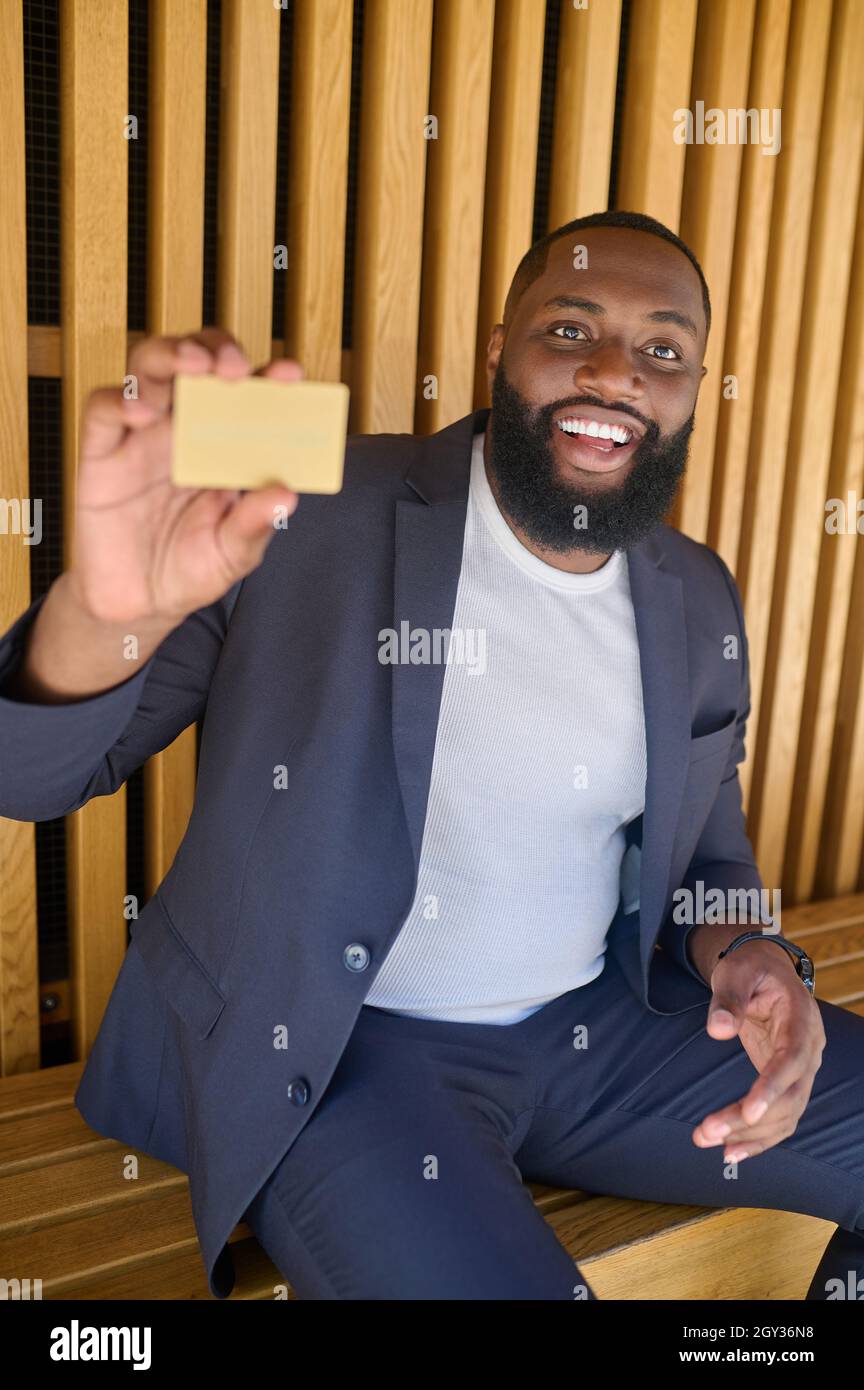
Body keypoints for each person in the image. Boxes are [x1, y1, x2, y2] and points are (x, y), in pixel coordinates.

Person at [0, 210, 861, 1301]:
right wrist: (104, 608)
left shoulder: (696, 593)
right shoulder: (303, 509)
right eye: (571, 328)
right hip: (340, 1057)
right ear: (499, 353)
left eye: (663, 349)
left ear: (693, 387)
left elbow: (707, 868)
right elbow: (29, 775)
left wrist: (748, 958)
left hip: (601, 1039)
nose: (615, 372)